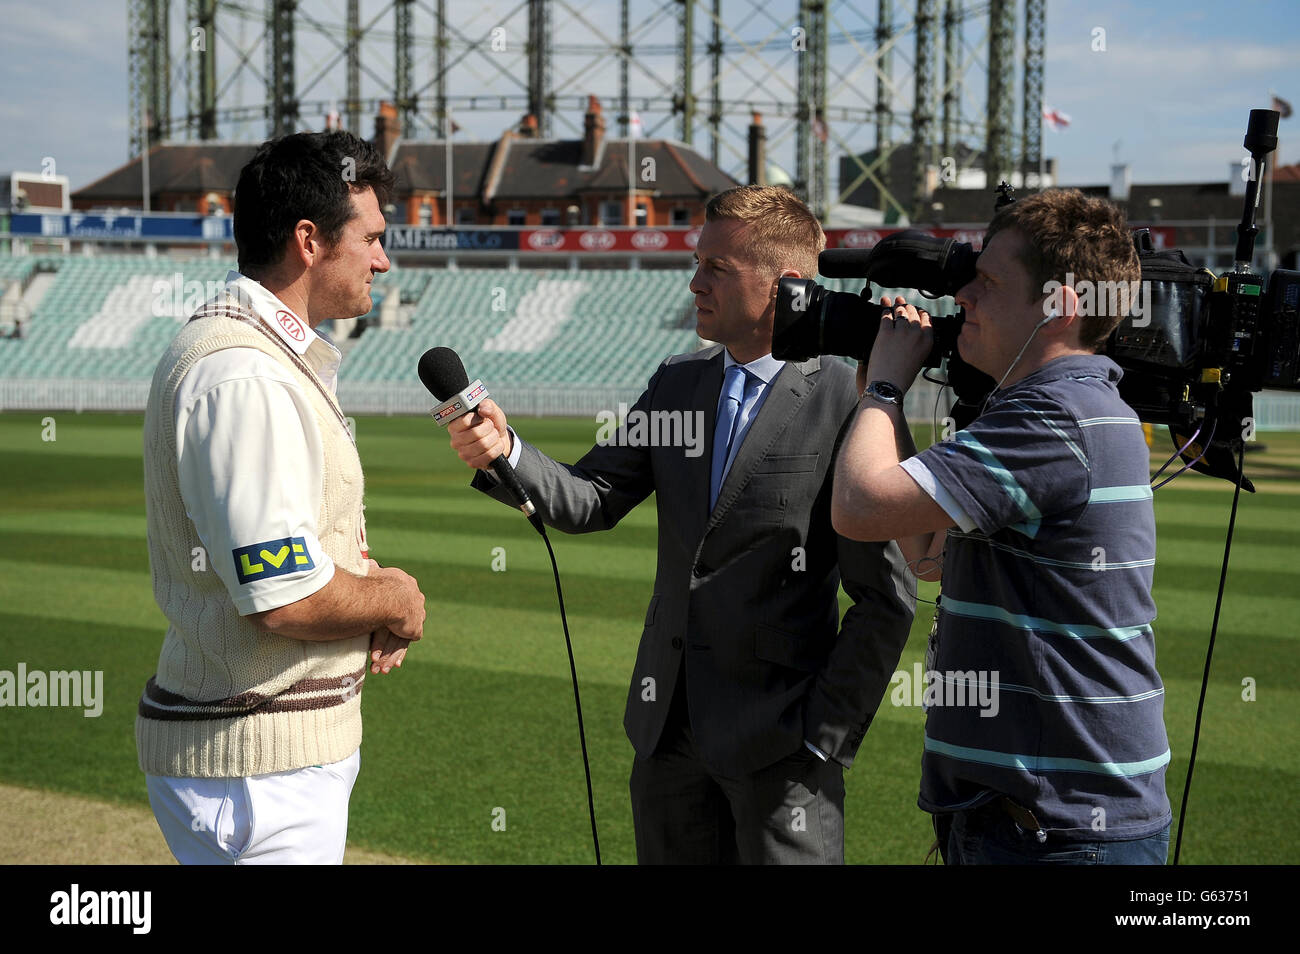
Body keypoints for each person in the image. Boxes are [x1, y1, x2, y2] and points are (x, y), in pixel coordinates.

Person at [448, 185, 915, 864]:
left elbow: (888, 596)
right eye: (697, 263)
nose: (694, 283)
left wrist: (823, 736)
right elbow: (593, 496)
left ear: (785, 284)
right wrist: (507, 451)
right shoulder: (677, 382)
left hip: (781, 747)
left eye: (716, 268)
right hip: (666, 730)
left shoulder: (850, 400)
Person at [831, 188, 1171, 864]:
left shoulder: (1054, 419)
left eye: (988, 282)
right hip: (1029, 818)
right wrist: (884, 397)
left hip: (1059, 831)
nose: (965, 298)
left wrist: (886, 389)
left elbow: (859, 507)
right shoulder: (1051, 407)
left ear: (1060, 309)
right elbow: (929, 553)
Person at [137, 131, 426, 865]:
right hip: (256, 770)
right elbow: (284, 597)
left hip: (258, 757)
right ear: (309, 240)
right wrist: (393, 598)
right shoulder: (248, 378)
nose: (384, 260)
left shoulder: (259, 359)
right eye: (372, 239)